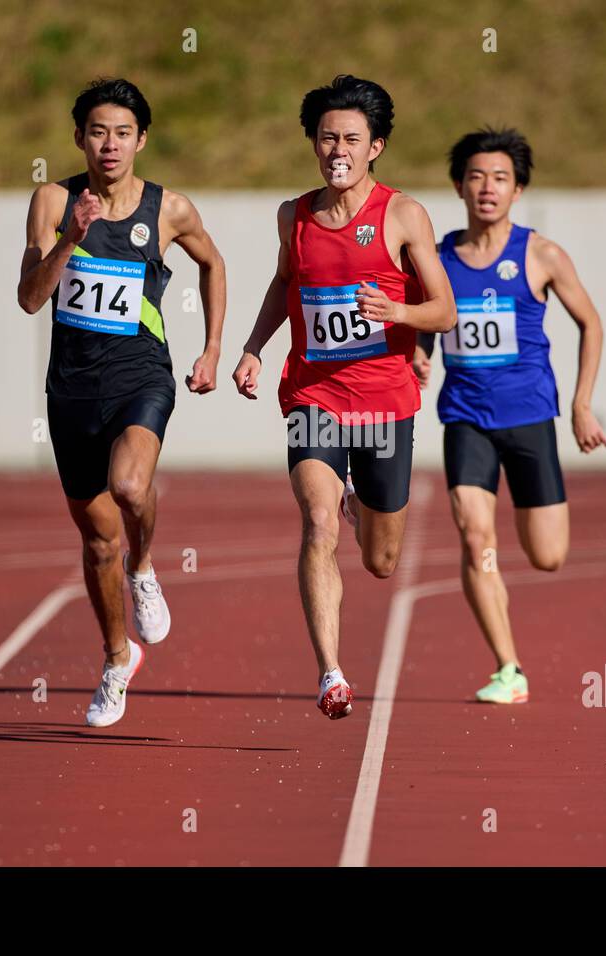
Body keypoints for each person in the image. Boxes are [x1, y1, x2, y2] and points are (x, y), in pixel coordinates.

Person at [231, 75, 455, 720]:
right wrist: (253, 347)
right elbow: (283, 284)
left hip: (385, 404)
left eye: (352, 138)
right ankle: (330, 672)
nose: (338, 148)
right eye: (328, 136)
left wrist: (398, 309)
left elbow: (444, 312)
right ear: (313, 142)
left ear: (375, 146)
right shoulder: (293, 216)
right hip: (314, 396)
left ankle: (364, 506)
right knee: (317, 523)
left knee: (382, 562)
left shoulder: (403, 214)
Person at [17, 78, 226, 727]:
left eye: (123, 132)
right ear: (79, 138)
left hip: (142, 376)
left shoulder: (169, 209)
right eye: (98, 132)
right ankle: (116, 657)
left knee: (130, 487)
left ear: (142, 139)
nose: (110, 144)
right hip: (71, 390)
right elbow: (29, 297)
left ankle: (147, 568)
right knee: (96, 541)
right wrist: (70, 238)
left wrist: (213, 349)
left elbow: (213, 264)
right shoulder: (54, 199)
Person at [413, 127, 606, 704]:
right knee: (476, 538)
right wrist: (419, 358)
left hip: (529, 418)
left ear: (518, 189)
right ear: (458, 185)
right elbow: (423, 326)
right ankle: (509, 668)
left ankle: (504, 584)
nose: (487, 187)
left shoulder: (541, 254)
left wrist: (580, 404)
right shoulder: (439, 259)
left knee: (547, 557)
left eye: (500, 178)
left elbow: (591, 324)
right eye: (476, 176)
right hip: (466, 418)